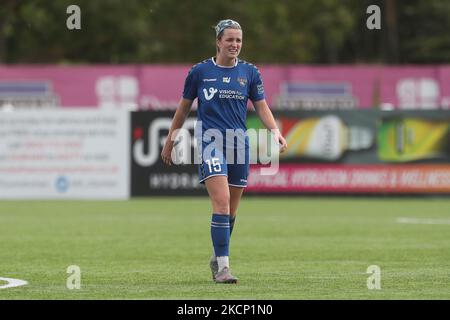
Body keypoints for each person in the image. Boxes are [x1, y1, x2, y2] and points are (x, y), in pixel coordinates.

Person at [161, 19, 287, 284]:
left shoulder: (250, 73)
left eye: (239, 40)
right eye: (229, 39)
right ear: (218, 41)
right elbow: (183, 108)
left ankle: (217, 257)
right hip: (211, 143)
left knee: (230, 213)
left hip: (239, 146)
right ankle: (223, 268)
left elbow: (261, 107)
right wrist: (171, 139)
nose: (235, 44)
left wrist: (275, 131)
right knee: (221, 203)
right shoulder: (199, 72)